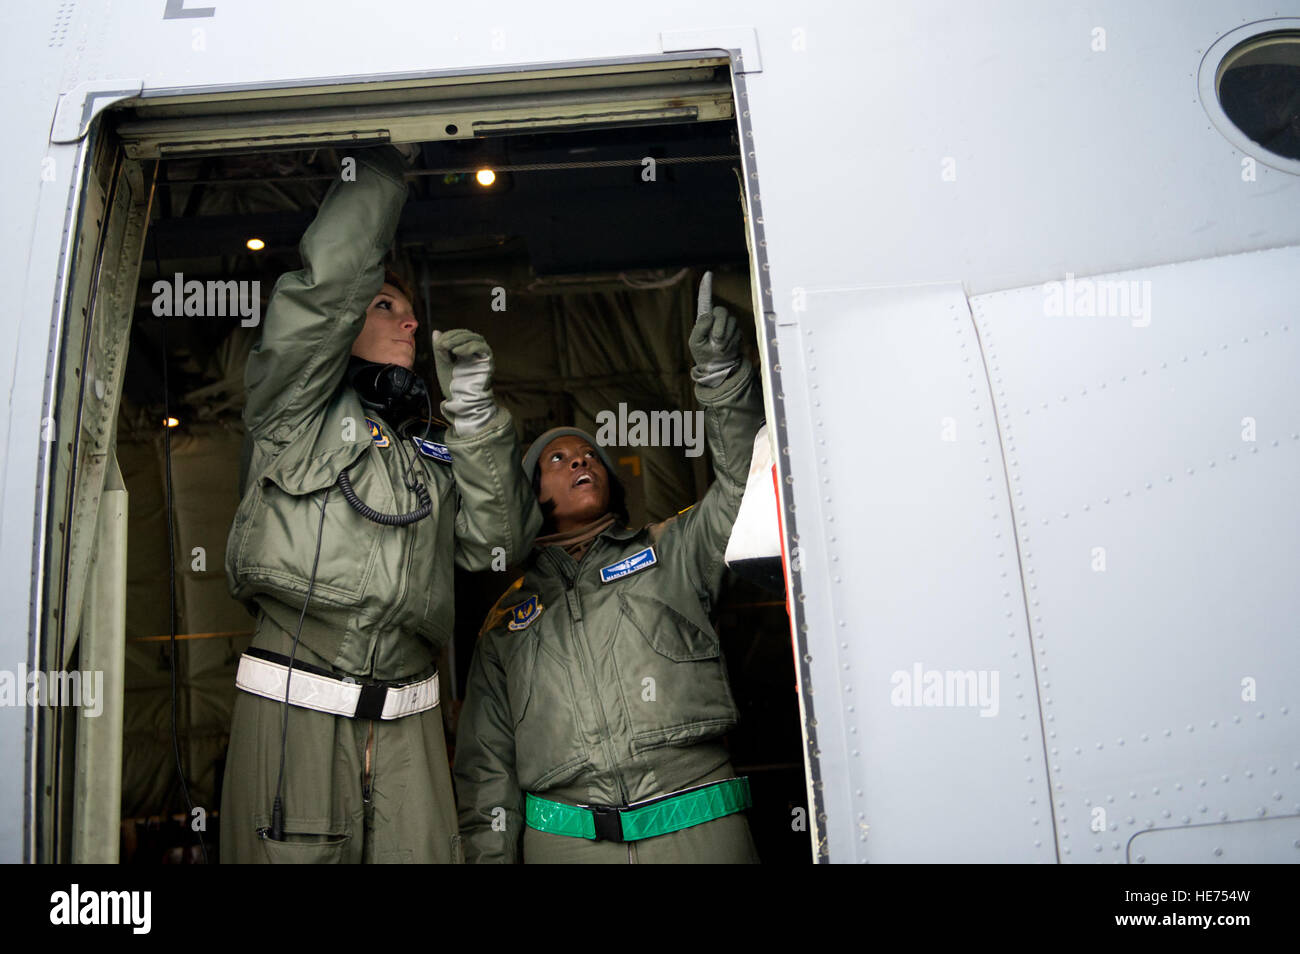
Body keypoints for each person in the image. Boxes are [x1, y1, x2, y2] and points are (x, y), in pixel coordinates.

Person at [220, 144, 540, 863]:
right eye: (386, 306)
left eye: (412, 315)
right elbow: (326, 287)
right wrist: (386, 163)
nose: (408, 324)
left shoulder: (427, 454)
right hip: (294, 704)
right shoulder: (292, 410)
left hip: (409, 718)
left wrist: (477, 418)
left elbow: (499, 541)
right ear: (343, 324)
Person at [454, 272, 766, 863]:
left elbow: (742, 490)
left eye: (590, 454)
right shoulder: (506, 620)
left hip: (697, 815)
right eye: (558, 458)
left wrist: (722, 382)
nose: (580, 460)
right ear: (527, 494)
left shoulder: (673, 548)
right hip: (568, 840)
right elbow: (486, 764)